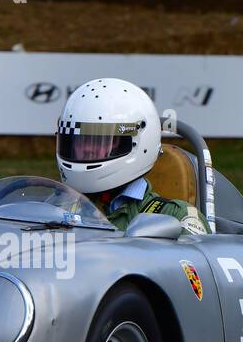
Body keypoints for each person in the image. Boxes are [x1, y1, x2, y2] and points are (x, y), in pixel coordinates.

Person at [54, 77, 209, 234]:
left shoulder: (174, 216)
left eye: (98, 142)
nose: (87, 149)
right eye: (79, 142)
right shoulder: (57, 208)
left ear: (138, 143)